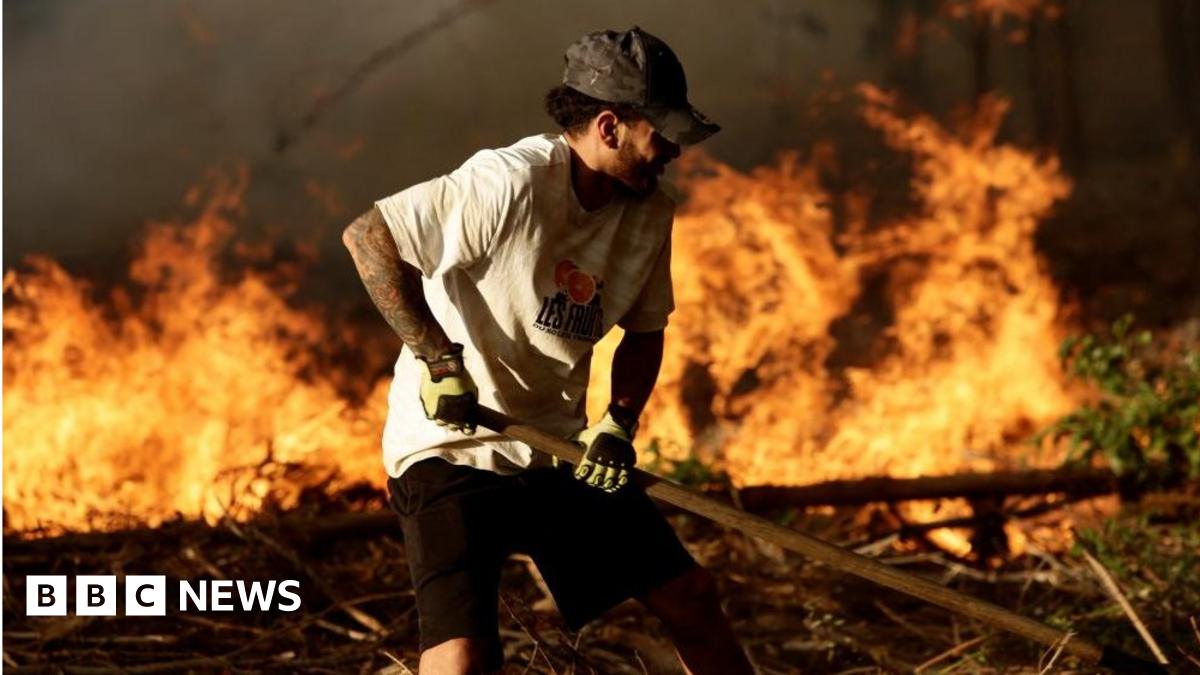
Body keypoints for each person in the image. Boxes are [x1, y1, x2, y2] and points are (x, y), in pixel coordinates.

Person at [343, 26, 754, 675]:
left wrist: (619, 421)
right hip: (450, 448)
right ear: (611, 126)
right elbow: (368, 238)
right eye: (661, 132)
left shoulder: (650, 212)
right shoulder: (509, 182)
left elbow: (645, 331)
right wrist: (438, 358)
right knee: (463, 657)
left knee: (692, 600)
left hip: (556, 448)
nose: (673, 149)